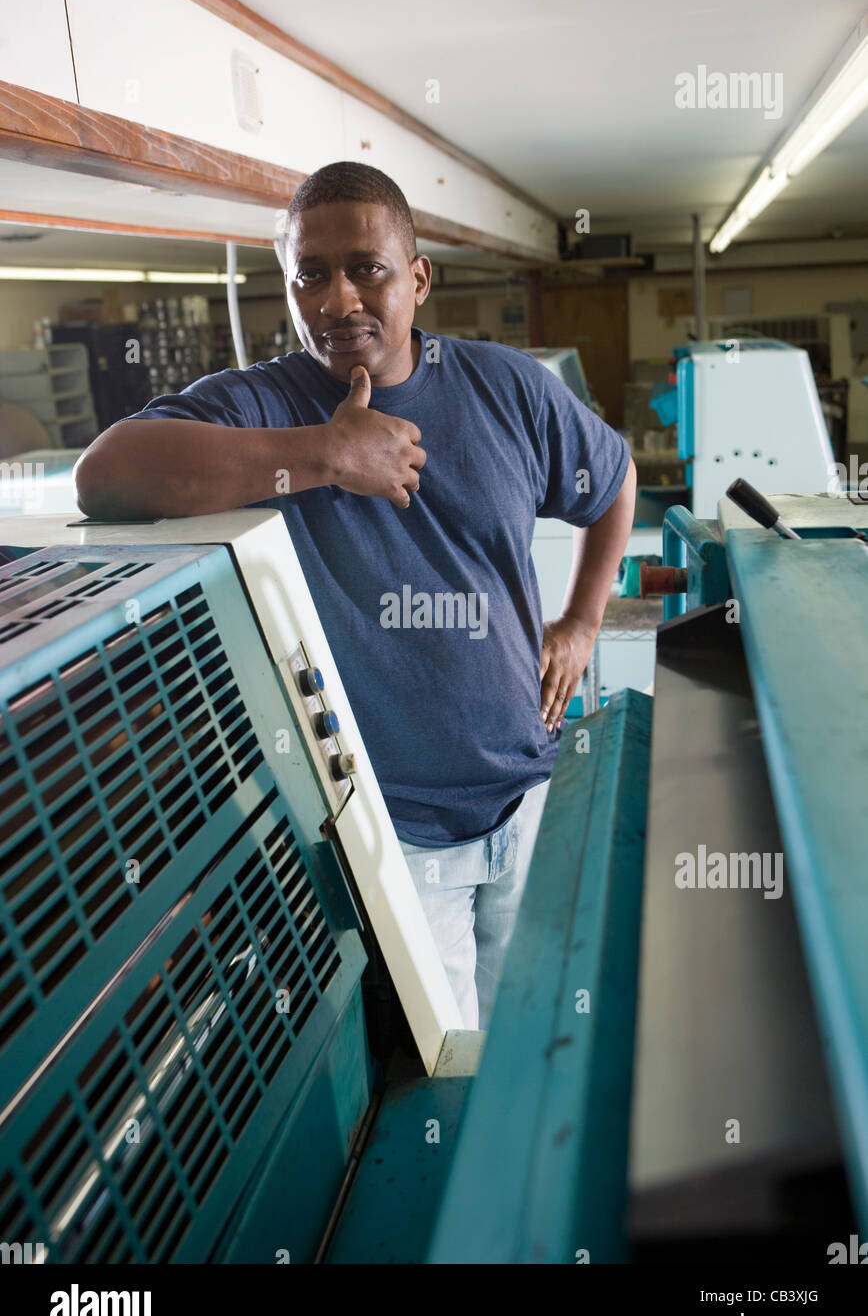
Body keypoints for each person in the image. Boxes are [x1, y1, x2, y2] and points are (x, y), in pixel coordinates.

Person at [73, 161, 636, 1031]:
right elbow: (106, 475)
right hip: (394, 837)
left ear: (417, 277)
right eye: (311, 274)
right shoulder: (261, 406)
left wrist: (582, 621)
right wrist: (325, 455)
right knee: (448, 1072)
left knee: (551, 1041)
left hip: (529, 794)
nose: (337, 300)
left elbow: (613, 479)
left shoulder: (506, 388)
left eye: (366, 268)